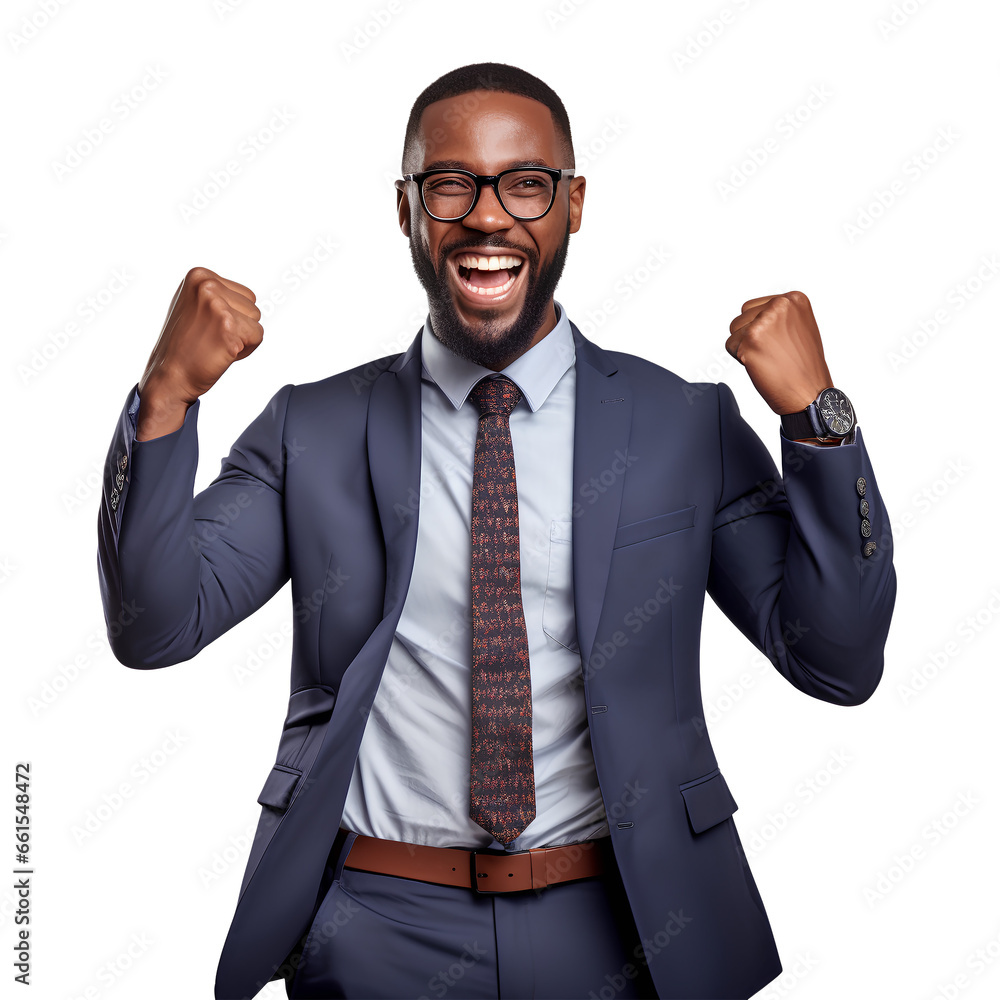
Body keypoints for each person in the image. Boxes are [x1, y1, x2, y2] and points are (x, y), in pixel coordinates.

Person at [97, 62, 896, 1000]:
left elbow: (838, 660)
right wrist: (165, 396)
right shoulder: (308, 428)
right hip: (376, 926)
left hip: (629, 926)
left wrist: (819, 417)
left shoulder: (683, 422)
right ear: (406, 210)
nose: (488, 217)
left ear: (573, 204)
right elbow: (154, 628)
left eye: (526, 184)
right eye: (450, 185)